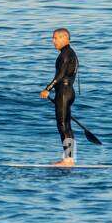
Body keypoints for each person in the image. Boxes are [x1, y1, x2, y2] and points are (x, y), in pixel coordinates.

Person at [39, 28, 78, 166]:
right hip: (68, 92)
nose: (53, 41)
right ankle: (70, 159)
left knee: (62, 125)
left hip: (63, 92)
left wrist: (47, 89)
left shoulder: (65, 54)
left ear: (64, 38)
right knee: (66, 125)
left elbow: (60, 75)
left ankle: (68, 160)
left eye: (55, 38)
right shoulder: (70, 53)